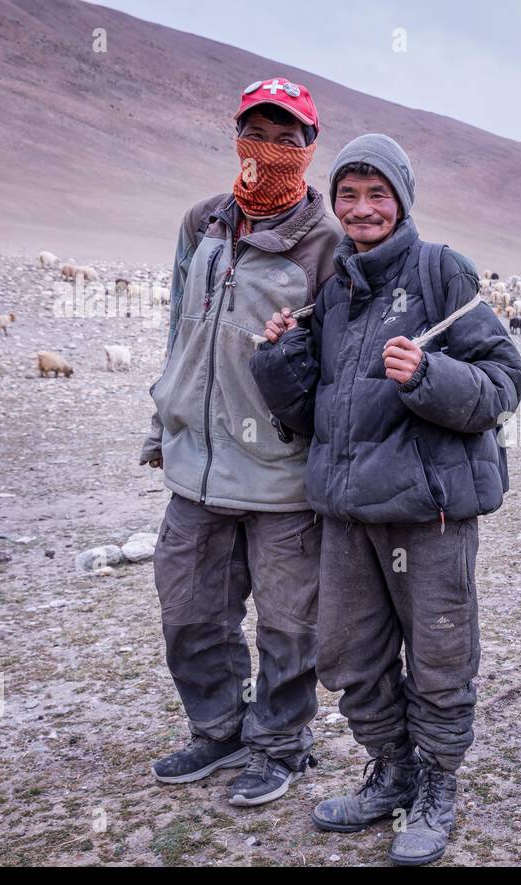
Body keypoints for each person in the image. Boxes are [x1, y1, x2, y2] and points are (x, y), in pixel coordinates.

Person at [250, 133, 521, 863]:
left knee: (439, 656)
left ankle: (437, 785)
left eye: (377, 194)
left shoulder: (441, 271)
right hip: (347, 513)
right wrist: (278, 360)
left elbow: (504, 382)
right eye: (349, 194)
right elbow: (312, 413)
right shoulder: (336, 290)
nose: (362, 208)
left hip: (427, 513)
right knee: (348, 655)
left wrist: (430, 374)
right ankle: (392, 772)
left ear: (402, 199)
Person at [139, 78, 340, 807]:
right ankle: (218, 729)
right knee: (189, 611)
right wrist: (161, 422)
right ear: (237, 137)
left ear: (310, 148)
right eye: (260, 134)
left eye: (289, 139)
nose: (273, 150)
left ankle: (282, 745)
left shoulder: (329, 243)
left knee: (289, 625)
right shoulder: (202, 223)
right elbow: (178, 331)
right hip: (196, 466)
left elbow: (340, 361)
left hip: (283, 475)